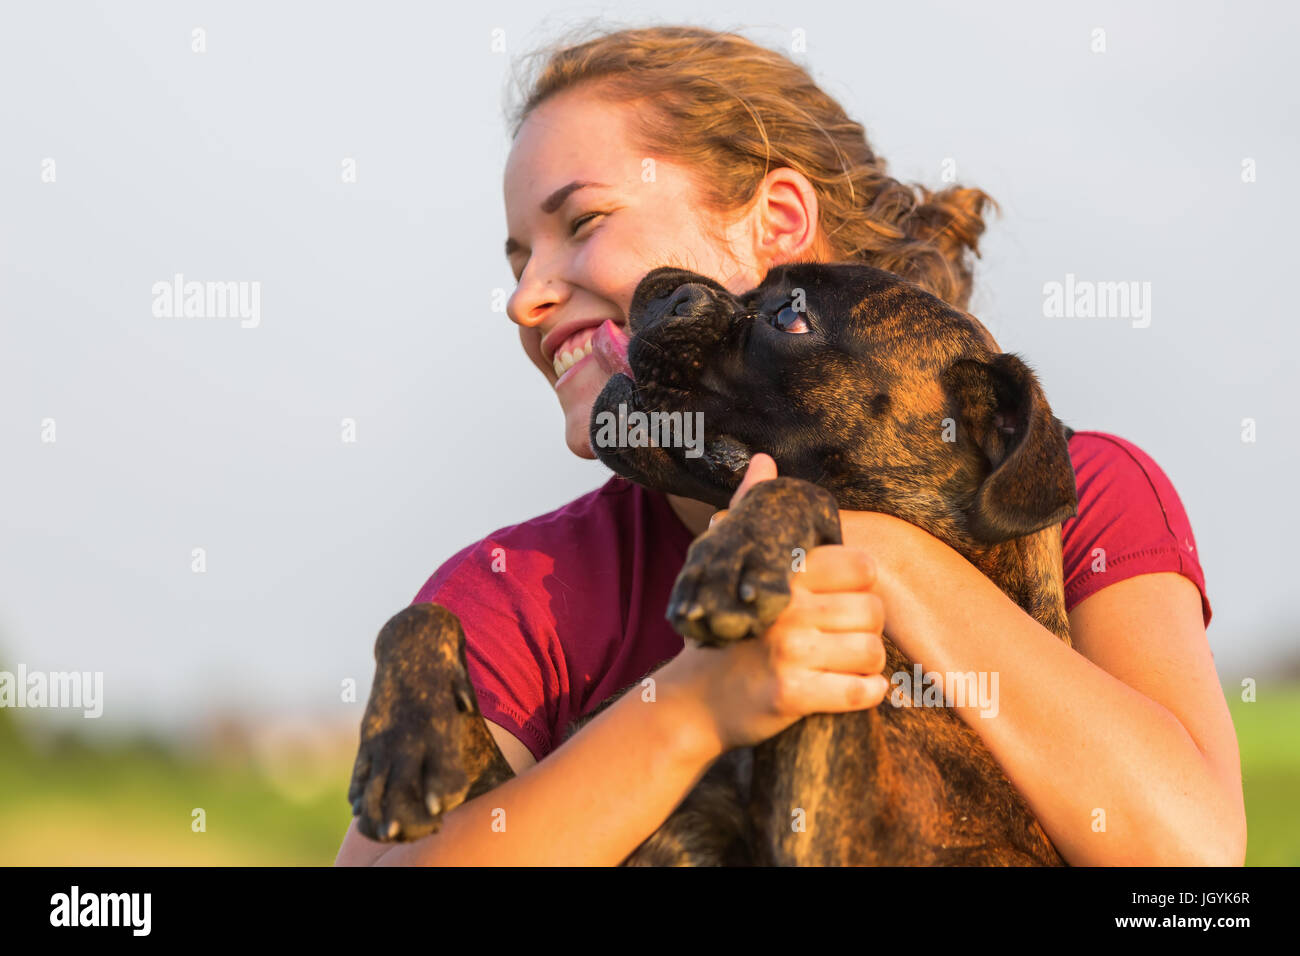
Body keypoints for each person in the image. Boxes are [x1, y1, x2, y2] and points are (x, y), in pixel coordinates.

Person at [335, 24, 1245, 866]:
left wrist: (877, 555)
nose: (525, 297)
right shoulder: (519, 588)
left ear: (776, 223)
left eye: (581, 225)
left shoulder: (1069, 490)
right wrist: (694, 704)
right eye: (515, 260)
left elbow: (1192, 865)